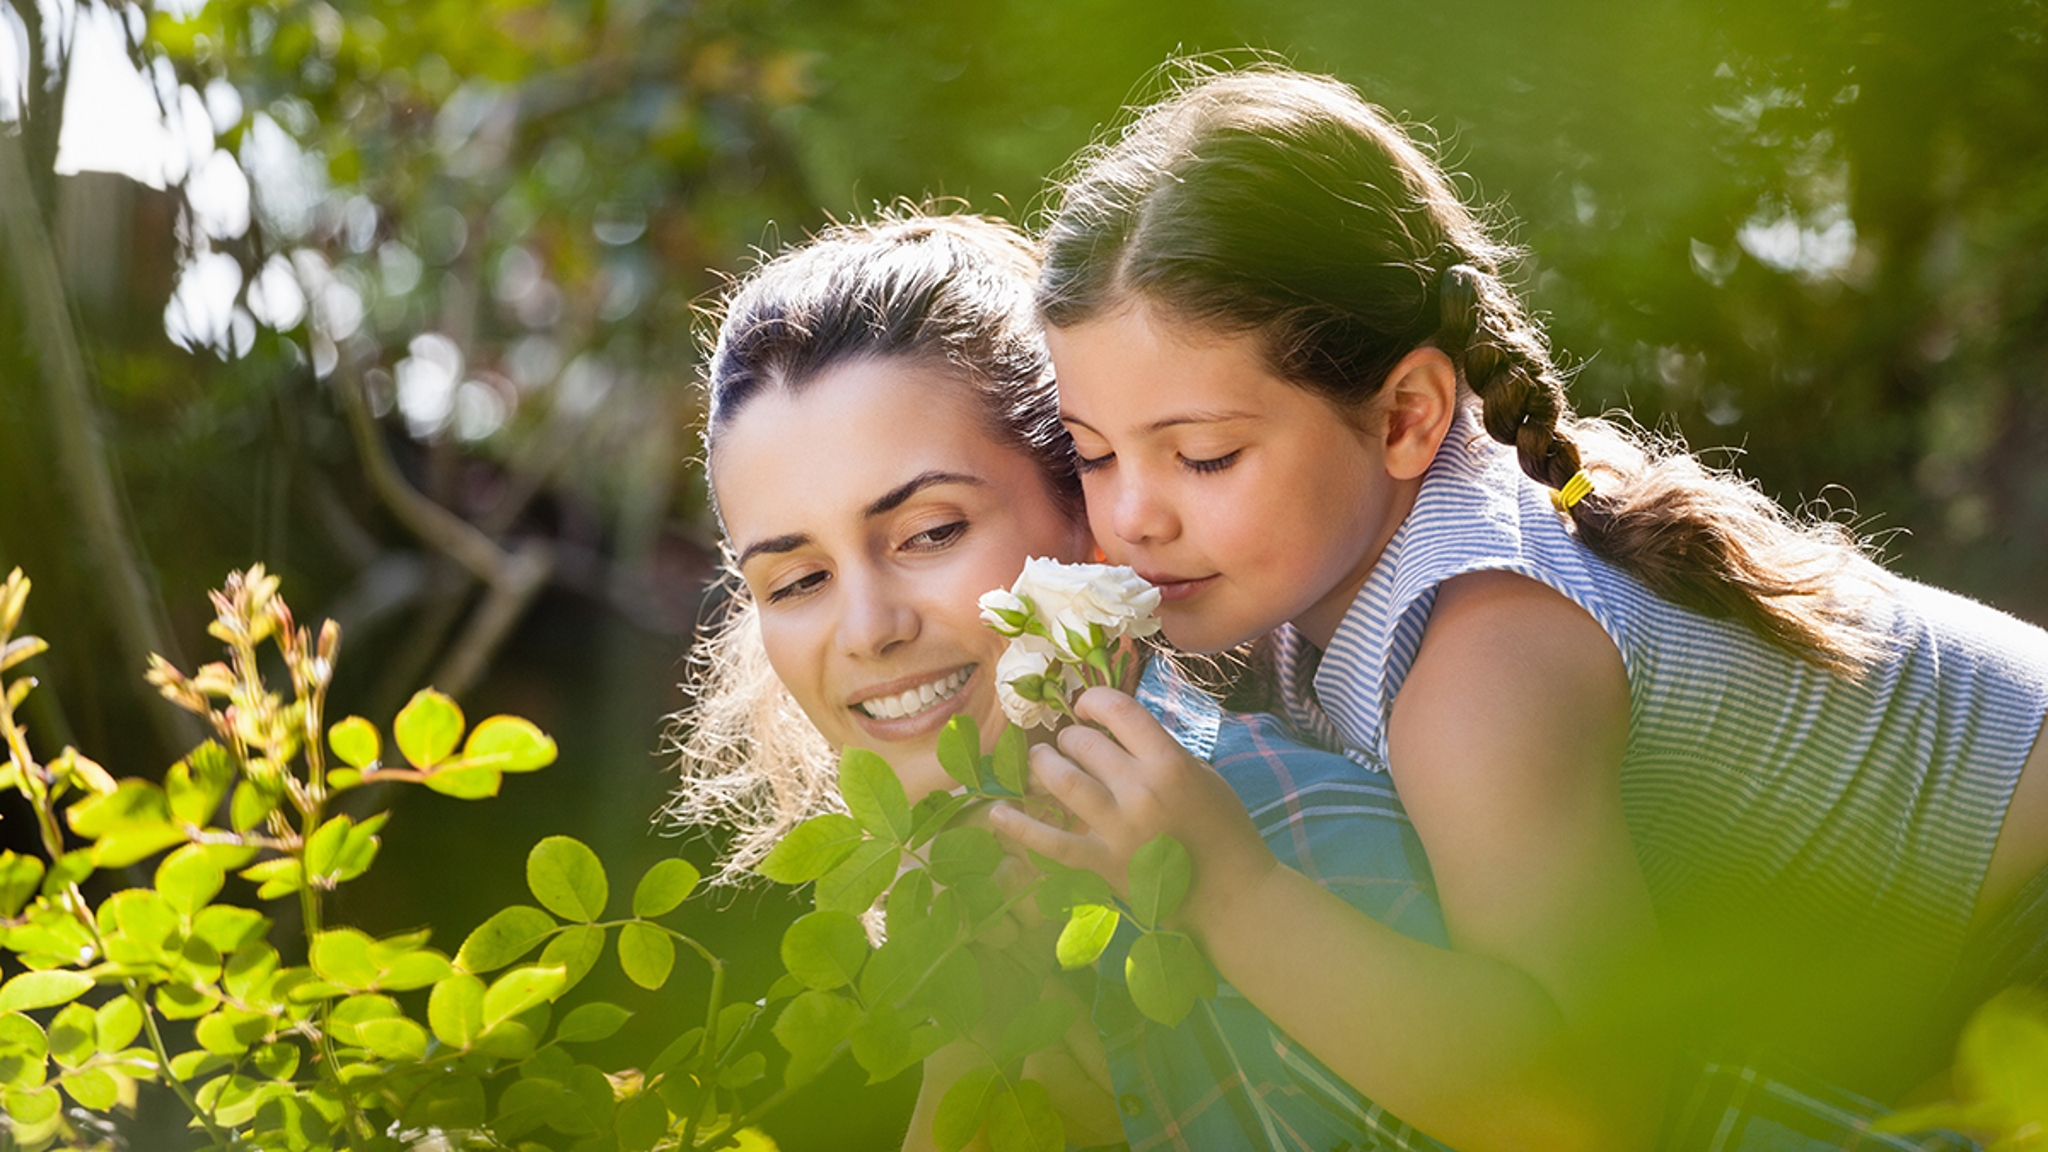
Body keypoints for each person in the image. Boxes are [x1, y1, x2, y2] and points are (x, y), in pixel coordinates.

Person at [987, 64, 2048, 1152]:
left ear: (1406, 414)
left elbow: (1587, 1117)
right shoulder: (1353, 567)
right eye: (1093, 454)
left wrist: (1226, 889)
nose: (1133, 515)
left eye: (1204, 457)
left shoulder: (1480, 659)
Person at [669, 209, 1459, 1152]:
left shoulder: (1300, 846)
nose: (870, 630)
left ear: (1087, 519)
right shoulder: (950, 935)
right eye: (798, 581)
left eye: (930, 532)